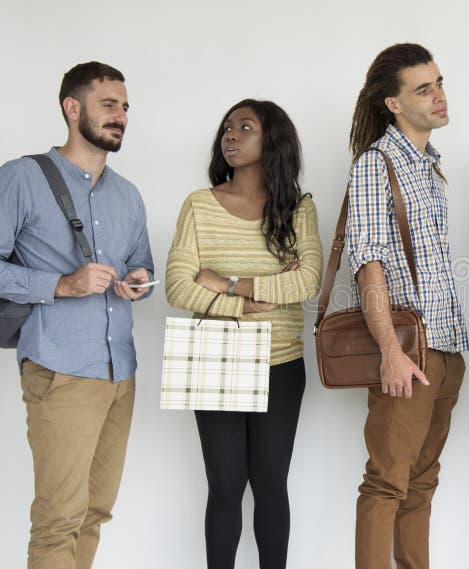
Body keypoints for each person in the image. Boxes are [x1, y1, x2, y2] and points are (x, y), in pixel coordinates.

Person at [0, 61, 154, 569]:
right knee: (58, 520)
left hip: (120, 374)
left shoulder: (128, 194)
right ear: (73, 108)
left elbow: (142, 265)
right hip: (60, 371)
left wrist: (137, 282)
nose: (121, 116)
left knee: (94, 512)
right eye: (109, 104)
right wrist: (61, 285)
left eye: (125, 107)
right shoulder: (21, 178)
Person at [165, 98, 322, 569]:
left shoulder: (298, 208)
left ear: (271, 139)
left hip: (281, 362)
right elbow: (177, 285)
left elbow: (307, 281)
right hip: (215, 357)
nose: (230, 135)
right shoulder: (199, 204)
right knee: (225, 486)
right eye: (227, 128)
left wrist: (225, 282)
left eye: (245, 127)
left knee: (272, 483)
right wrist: (249, 303)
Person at [346, 43, 469, 569]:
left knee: (421, 483)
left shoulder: (430, 167)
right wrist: (391, 352)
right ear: (393, 104)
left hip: (445, 348)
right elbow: (368, 264)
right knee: (387, 484)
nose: (439, 95)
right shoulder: (377, 165)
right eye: (424, 89)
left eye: (439, 83)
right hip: (409, 352)